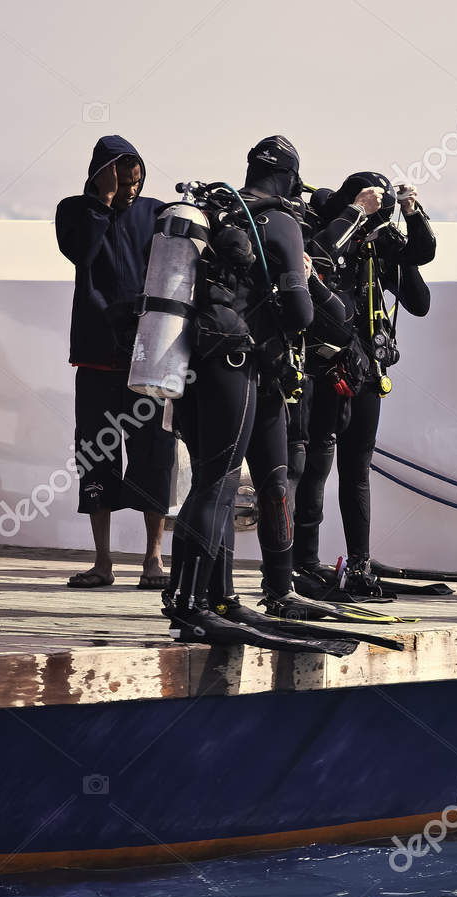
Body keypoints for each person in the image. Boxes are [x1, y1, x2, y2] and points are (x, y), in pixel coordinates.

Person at [162, 135, 349, 653]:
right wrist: (306, 279)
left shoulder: (226, 213)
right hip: (235, 358)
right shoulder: (283, 222)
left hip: (213, 359)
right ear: (290, 178)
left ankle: (235, 595)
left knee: (248, 478)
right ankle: (191, 604)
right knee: (219, 483)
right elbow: (302, 315)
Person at [291, 171, 435, 598]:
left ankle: (359, 564)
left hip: (367, 370)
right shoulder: (323, 231)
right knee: (315, 466)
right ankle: (303, 562)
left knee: (356, 470)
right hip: (324, 368)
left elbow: (420, 301)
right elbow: (317, 258)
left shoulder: (378, 244)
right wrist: (356, 216)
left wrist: (411, 216)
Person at [53, 135, 177, 589]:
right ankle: (103, 562)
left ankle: (153, 560)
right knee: (97, 458)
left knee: (155, 458)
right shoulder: (76, 210)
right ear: (102, 176)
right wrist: (101, 201)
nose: (131, 189)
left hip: (149, 361)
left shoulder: (157, 213)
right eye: (123, 181)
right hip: (96, 360)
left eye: (137, 180)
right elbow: (80, 252)